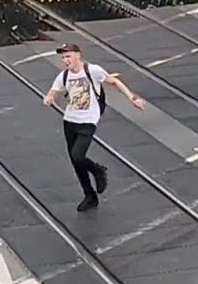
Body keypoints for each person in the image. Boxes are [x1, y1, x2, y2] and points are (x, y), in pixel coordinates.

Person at [43, 43, 145, 212]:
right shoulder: (64, 76)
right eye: (63, 57)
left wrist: (133, 98)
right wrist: (49, 98)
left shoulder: (93, 70)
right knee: (76, 162)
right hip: (70, 121)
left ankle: (98, 170)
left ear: (78, 55)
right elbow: (53, 92)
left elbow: (114, 82)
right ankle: (89, 196)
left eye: (68, 56)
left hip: (88, 121)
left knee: (78, 156)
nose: (65, 60)